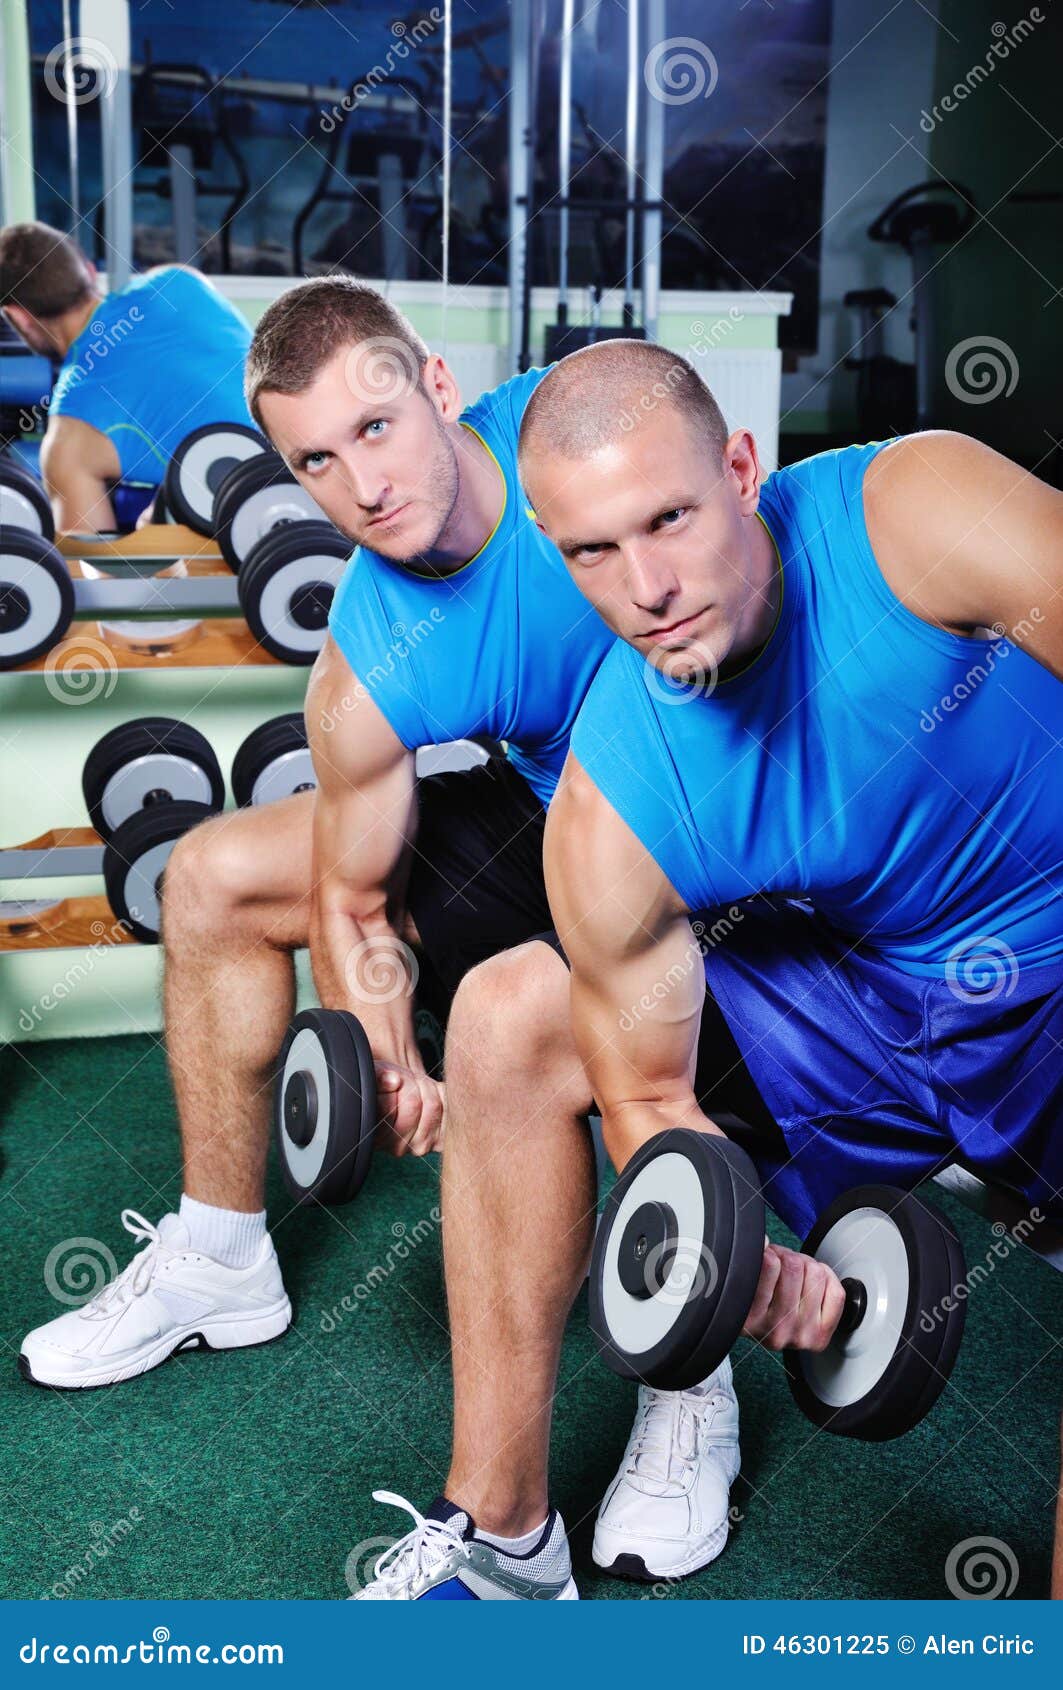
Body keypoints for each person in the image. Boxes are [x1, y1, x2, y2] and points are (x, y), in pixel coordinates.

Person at [353, 338, 1063, 1598]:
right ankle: (505, 1542)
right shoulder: (610, 803)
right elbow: (649, 1100)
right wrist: (735, 1264)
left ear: (741, 469)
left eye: (668, 518)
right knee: (512, 1013)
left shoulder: (914, 512)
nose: (648, 588)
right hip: (869, 1005)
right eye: (592, 552)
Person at [18, 282, 613, 1458]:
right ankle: (219, 1254)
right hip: (547, 819)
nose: (362, 487)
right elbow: (350, 897)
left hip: (714, 833)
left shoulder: (575, 433)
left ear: (438, 386)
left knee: (637, 1007)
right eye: (317, 462)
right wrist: (384, 1053)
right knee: (210, 874)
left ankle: (691, 1385)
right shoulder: (368, 647)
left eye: (376, 428)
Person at [0, 221, 252, 530]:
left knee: (151, 528)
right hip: (305, 474)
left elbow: (92, 556)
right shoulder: (180, 279)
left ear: (19, 317)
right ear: (89, 271)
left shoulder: (69, 435)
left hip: (256, 531)